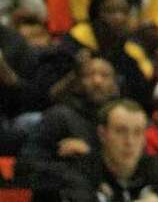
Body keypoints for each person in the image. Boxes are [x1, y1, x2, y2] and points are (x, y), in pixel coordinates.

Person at [14, 52, 119, 201]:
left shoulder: (124, 122)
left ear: (115, 85)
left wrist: (89, 155)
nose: (97, 81)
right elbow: (24, 167)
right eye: (89, 75)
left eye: (105, 75)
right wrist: (70, 169)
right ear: (76, 83)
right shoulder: (59, 117)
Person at [52, 97, 158, 202]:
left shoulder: (156, 167)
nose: (129, 141)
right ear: (102, 134)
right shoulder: (81, 171)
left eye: (138, 132)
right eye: (121, 131)